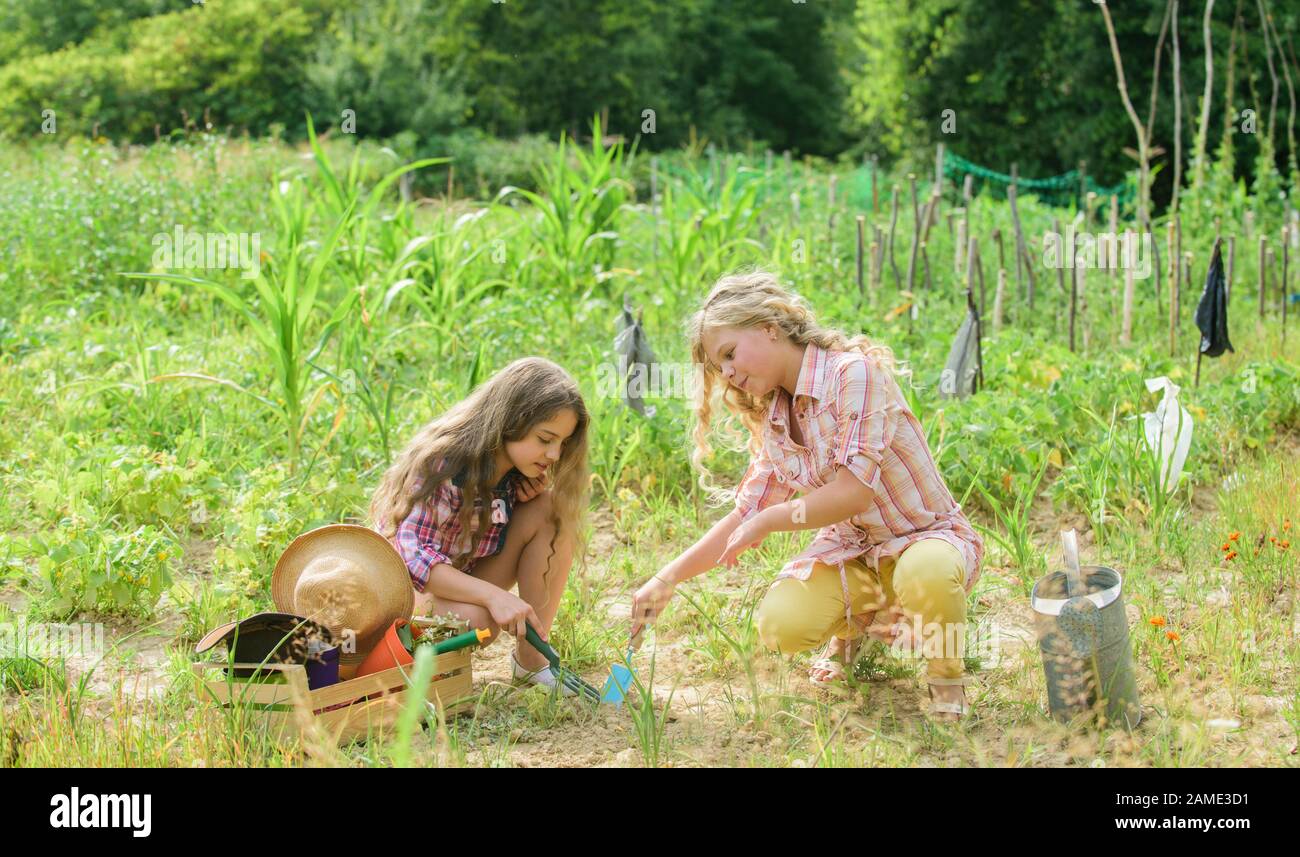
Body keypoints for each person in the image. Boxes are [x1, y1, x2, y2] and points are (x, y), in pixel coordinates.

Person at [630, 270, 984, 722]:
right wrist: (666, 580)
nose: (730, 374)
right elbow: (747, 512)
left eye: (730, 354)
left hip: (924, 537)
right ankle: (854, 632)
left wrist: (769, 521)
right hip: (856, 553)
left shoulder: (852, 374)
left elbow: (853, 494)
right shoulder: (776, 416)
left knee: (927, 574)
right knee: (781, 626)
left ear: (769, 328)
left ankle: (946, 681)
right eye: (721, 369)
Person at [370, 357, 590, 694]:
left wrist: (522, 499)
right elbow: (411, 558)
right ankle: (418, 659)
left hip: (463, 578)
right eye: (545, 439)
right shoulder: (445, 463)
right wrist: (494, 596)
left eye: (561, 443)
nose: (554, 454)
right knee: (480, 619)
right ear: (511, 420)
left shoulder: (515, 472)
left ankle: (533, 662)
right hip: (411, 596)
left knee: (549, 510)